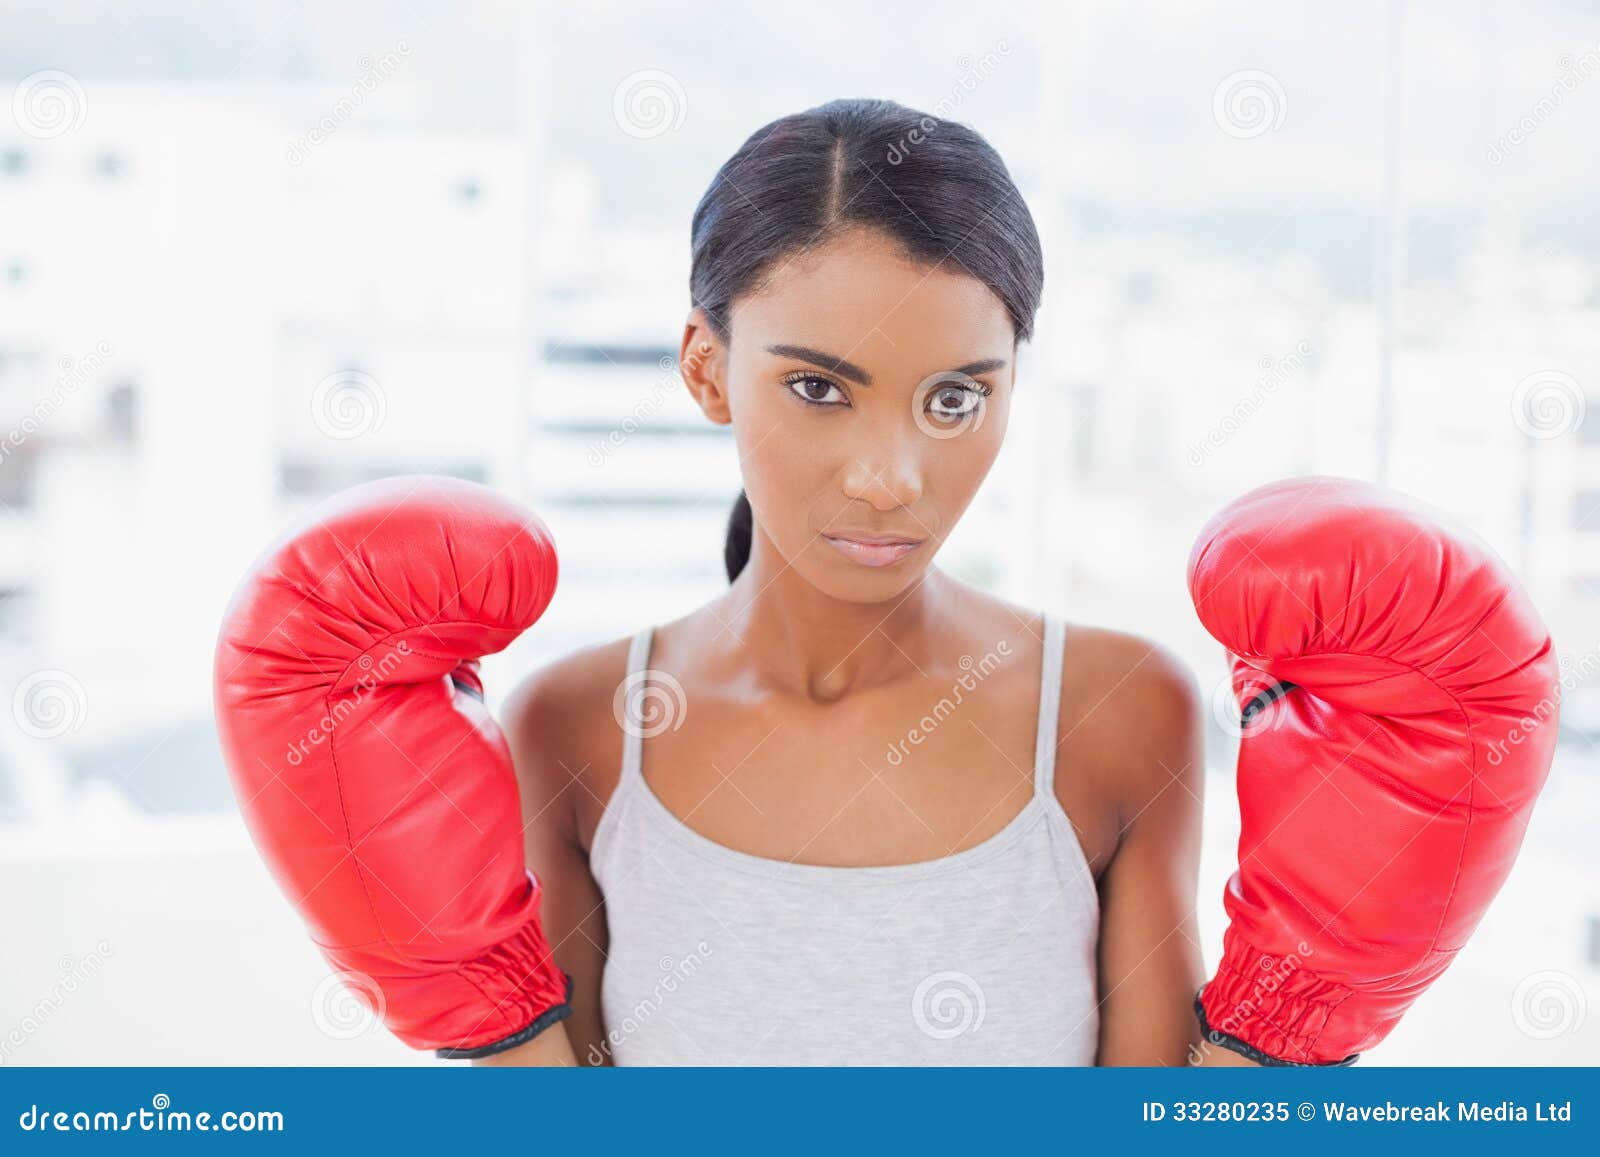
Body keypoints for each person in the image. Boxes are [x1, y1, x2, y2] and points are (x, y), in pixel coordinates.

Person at [214, 99, 1557, 1067]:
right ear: (704, 369)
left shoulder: (1113, 708)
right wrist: (475, 1019)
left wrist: (1288, 1035)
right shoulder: (575, 725)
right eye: (818, 388)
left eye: (955, 397)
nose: (888, 474)